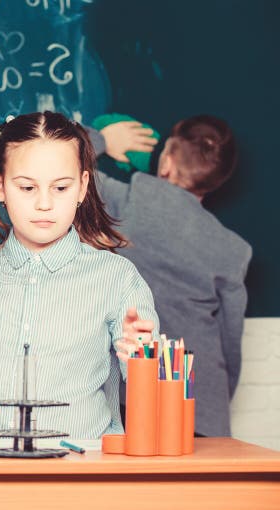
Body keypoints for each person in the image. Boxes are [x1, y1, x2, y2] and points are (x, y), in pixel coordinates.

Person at [0, 111, 158, 440]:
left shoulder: (117, 278)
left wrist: (144, 358)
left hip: (81, 476)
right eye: (27, 187)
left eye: (61, 188)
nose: (44, 203)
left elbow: (149, 402)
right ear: (0, 186)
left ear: (82, 187)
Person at [91, 115, 251, 437]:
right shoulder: (233, 251)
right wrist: (213, 402)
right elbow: (230, 346)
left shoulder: (126, 201)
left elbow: (58, 162)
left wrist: (103, 139)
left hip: (129, 400)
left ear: (166, 161)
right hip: (201, 408)